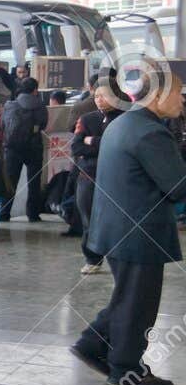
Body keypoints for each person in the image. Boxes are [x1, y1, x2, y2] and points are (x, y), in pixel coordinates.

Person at [72, 70, 186, 385]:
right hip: (140, 231)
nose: (182, 100)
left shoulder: (124, 123)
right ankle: (124, 368)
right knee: (139, 305)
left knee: (128, 297)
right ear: (159, 96)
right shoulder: (150, 132)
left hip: (115, 227)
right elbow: (178, 186)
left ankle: (92, 345)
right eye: (178, 93)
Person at [72, 84, 127, 275]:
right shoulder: (87, 119)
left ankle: (118, 258)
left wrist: (93, 140)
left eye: (104, 96)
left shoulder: (125, 119)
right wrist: (100, 144)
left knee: (116, 219)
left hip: (116, 178)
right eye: (96, 96)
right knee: (89, 219)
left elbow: (121, 147)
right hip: (89, 176)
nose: (99, 100)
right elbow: (76, 148)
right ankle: (92, 259)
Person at [2, 77, 49, 221]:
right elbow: (43, 125)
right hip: (33, 147)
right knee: (34, 182)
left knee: (10, 181)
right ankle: (33, 214)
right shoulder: (40, 106)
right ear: (35, 90)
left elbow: (3, 125)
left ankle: (4, 213)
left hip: (12, 148)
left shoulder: (10, 105)